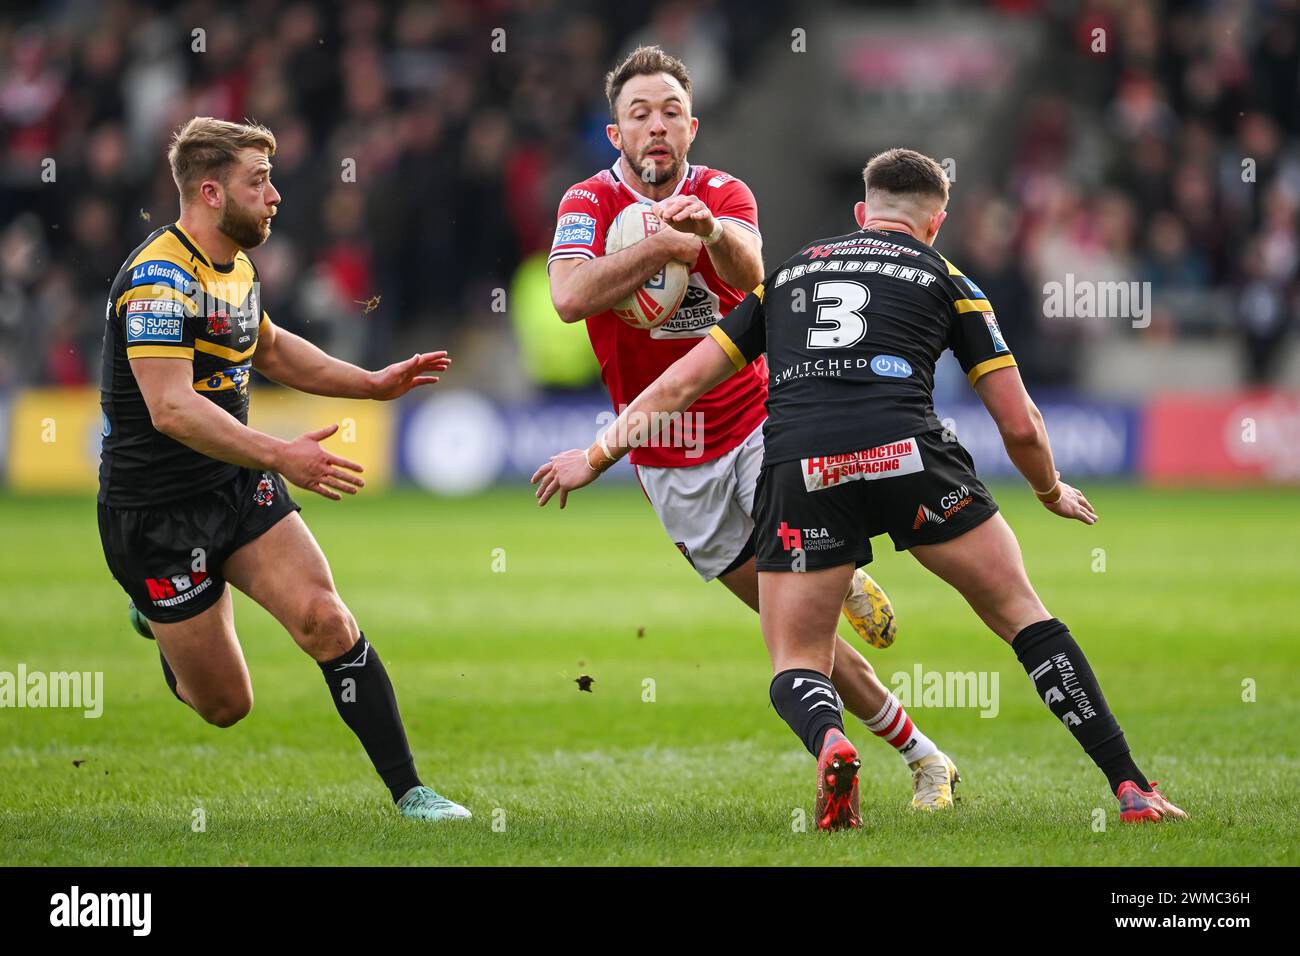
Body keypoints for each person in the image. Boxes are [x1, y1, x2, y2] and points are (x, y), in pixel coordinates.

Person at [534, 147, 1187, 831]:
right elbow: (1020, 424)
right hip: (910, 458)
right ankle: (1130, 787)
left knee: (795, 658)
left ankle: (833, 741)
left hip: (806, 472)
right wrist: (1050, 489)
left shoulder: (787, 276)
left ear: (859, 214)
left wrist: (597, 454)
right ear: (936, 222)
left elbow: (678, 384)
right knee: (1027, 619)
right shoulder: (951, 278)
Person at [544, 47, 959, 808]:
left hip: (765, 425)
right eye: (640, 115)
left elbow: (752, 276)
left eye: (671, 111)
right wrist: (662, 247)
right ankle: (927, 754)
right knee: (804, 643)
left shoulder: (723, 190)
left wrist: (707, 233)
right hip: (667, 455)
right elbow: (569, 299)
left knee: (791, 633)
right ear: (617, 136)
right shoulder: (587, 203)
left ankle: (877, 755)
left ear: (693, 125)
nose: (657, 126)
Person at [97, 116, 469, 821]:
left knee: (326, 619)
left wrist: (370, 383)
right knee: (226, 706)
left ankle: (411, 792)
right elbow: (172, 409)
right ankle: (156, 616)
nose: (275, 196)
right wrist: (282, 453)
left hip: (233, 484)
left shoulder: (235, 264)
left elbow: (267, 347)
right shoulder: (156, 280)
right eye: (258, 181)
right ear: (210, 192)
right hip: (155, 517)